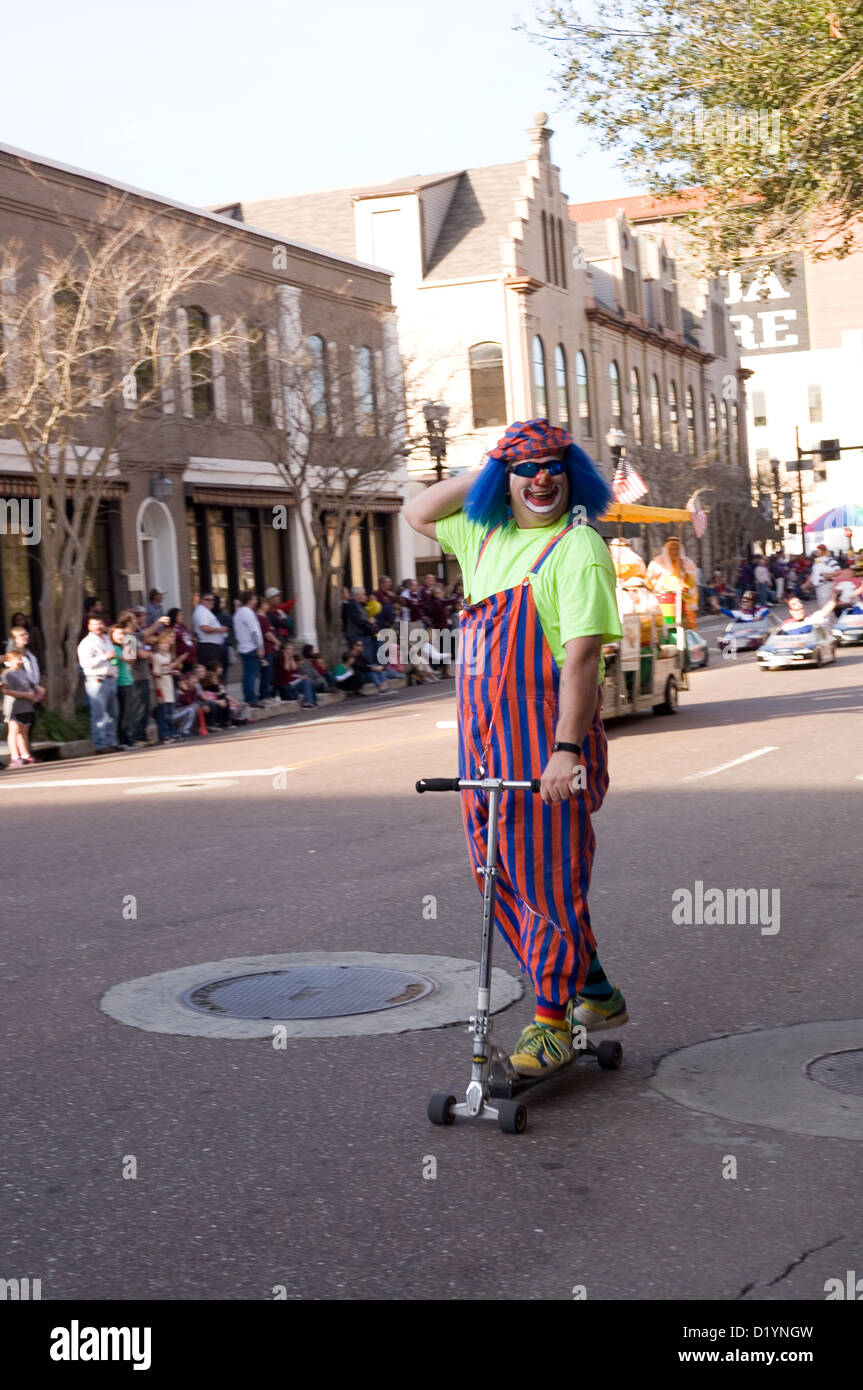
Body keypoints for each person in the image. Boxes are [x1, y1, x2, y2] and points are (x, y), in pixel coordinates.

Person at [404, 417, 626, 1076]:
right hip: (481, 748)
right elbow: (416, 510)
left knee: (549, 882)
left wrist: (565, 750)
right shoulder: (484, 533)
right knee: (497, 877)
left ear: (572, 473)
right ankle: (596, 993)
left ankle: (551, 1021)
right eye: (524, 469)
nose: (540, 478)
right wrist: (489, 466)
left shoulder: (576, 547)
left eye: (552, 464)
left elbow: (582, 659)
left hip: (542, 749)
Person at [77, 615, 119, 753]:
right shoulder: (86, 643)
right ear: (89, 626)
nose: (98, 627)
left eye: (100, 624)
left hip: (110, 678)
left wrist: (115, 670)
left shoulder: (106, 639)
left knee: (111, 713)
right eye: (94, 624)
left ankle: (110, 741)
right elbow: (85, 664)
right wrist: (103, 656)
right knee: (99, 714)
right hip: (96, 679)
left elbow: (113, 657)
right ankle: (100, 745)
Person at [1, 648, 44, 766]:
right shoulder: (7, 674)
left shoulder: (22, 672)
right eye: (17, 659)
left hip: (26, 706)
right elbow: (6, 691)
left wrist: (37, 692)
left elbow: (30, 685)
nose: (20, 661)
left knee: (24, 731)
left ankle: (25, 755)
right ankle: (15, 757)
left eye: (20, 659)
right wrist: (26, 695)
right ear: (9, 661)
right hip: (13, 707)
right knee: (14, 730)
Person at [151, 634, 187, 743]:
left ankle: (171, 732)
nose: (165, 645)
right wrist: (158, 692)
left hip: (169, 686)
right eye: (162, 643)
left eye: (167, 643)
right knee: (163, 713)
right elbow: (157, 675)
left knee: (170, 713)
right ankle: (164, 734)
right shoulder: (156, 657)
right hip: (162, 687)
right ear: (158, 645)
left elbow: (167, 670)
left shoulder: (168, 656)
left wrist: (173, 671)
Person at [233, 592, 264, 707]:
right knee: (252, 674)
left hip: (242, 647)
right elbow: (254, 632)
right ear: (249, 600)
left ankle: (248, 697)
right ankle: (252, 698)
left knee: (247, 673)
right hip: (251, 647)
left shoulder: (238, 613)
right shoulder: (248, 613)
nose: (256, 601)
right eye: (254, 599)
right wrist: (259, 647)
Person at [111, 619, 137, 750]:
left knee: (129, 712)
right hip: (120, 682)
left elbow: (131, 661)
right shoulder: (114, 648)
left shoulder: (123, 647)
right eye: (118, 634)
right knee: (124, 713)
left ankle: (129, 739)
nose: (121, 636)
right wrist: (130, 641)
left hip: (129, 680)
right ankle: (123, 740)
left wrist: (129, 642)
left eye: (122, 634)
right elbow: (125, 658)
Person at [192, 592, 229, 671]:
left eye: (212, 600)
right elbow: (204, 628)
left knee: (213, 672)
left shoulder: (205, 611)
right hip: (208, 647)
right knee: (210, 673)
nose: (211, 602)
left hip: (211, 646)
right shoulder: (202, 611)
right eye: (207, 600)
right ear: (201, 600)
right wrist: (220, 629)